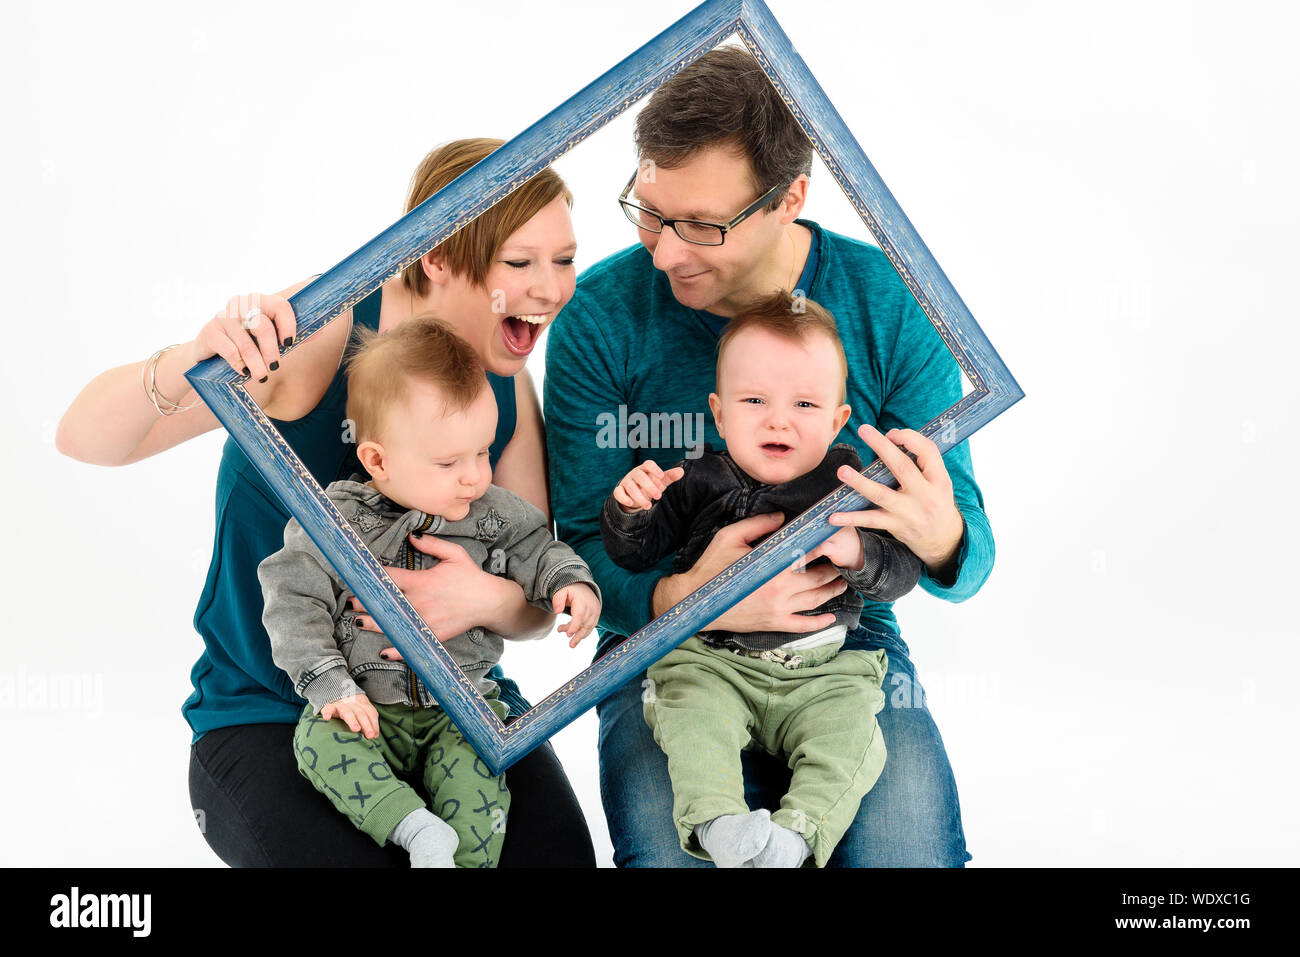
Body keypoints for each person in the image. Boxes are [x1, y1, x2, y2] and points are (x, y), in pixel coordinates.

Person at [56, 137, 598, 867]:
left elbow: (531, 595)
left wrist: (478, 599)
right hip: (279, 716)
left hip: (452, 709)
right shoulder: (330, 321)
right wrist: (190, 358)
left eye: (563, 259)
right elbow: (84, 437)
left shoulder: (507, 380)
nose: (552, 288)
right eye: (521, 263)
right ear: (437, 256)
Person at [544, 46, 995, 867]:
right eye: (649, 211)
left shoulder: (886, 304)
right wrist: (685, 597)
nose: (664, 251)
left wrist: (940, 537)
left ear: (791, 198)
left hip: (844, 648)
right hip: (661, 652)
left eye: (703, 226)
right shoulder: (599, 319)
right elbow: (574, 543)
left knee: (907, 854)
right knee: (676, 849)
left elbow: (968, 559)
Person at [259, 316, 601, 868]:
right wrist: (330, 684)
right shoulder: (335, 519)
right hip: (368, 705)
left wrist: (570, 582)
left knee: (485, 777)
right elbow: (294, 598)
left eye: (483, 453)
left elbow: (538, 546)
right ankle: (413, 828)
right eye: (448, 463)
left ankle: (459, 861)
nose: (473, 478)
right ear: (377, 460)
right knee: (319, 745)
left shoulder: (491, 514)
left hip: (462, 709)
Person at [599, 291, 922, 867]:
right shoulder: (698, 480)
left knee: (855, 740)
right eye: (754, 400)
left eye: (804, 404)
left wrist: (856, 549)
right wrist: (631, 510)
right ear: (719, 414)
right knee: (689, 719)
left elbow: (901, 573)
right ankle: (717, 823)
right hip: (711, 661)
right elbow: (634, 553)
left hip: (823, 670)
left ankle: (797, 834)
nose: (778, 419)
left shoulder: (849, 484)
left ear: (837, 419)